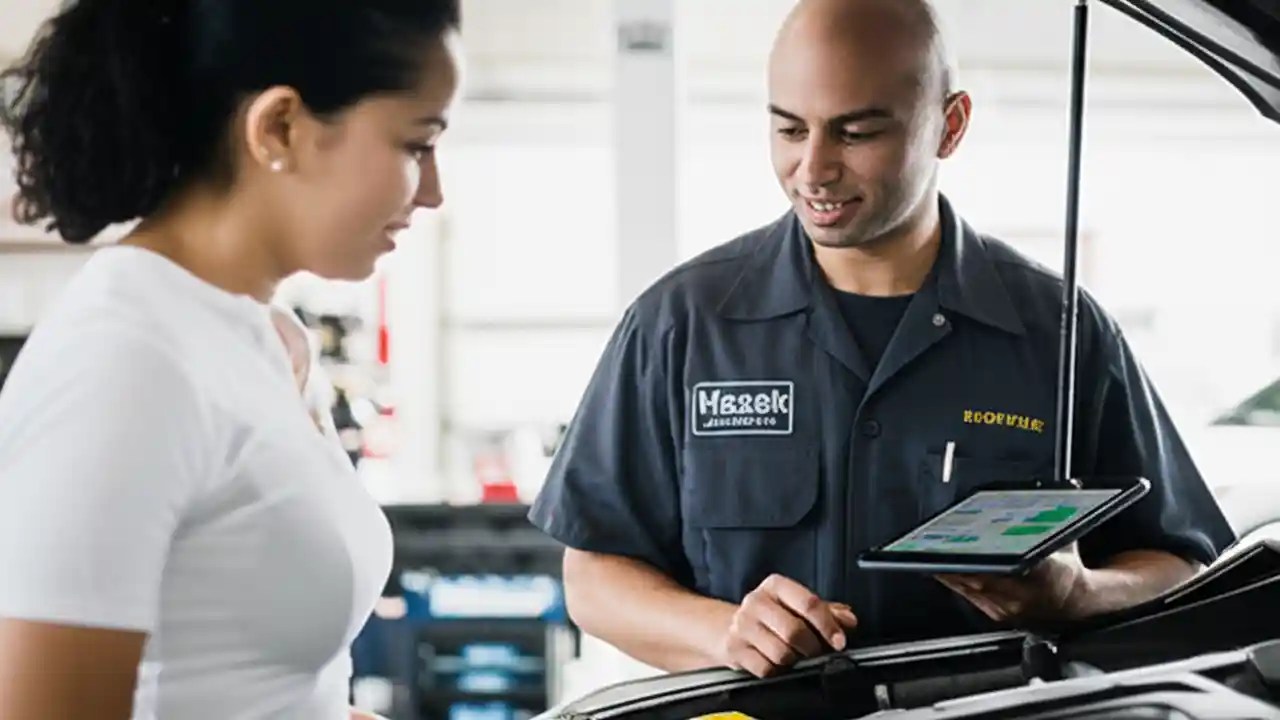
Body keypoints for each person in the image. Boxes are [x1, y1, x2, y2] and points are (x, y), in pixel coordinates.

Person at [528, 0, 1236, 680]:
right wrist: (722, 630)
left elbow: (1181, 561)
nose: (814, 170)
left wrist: (1079, 596)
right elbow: (593, 574)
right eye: (789, 130)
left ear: (949, 127)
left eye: (857, 133)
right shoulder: (682, 325)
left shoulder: (1060, 333)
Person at [0, 0, 460, 717]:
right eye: (415, 144)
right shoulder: (126, 360)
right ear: (280, 127)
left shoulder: (270, 342)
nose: (432, 192)